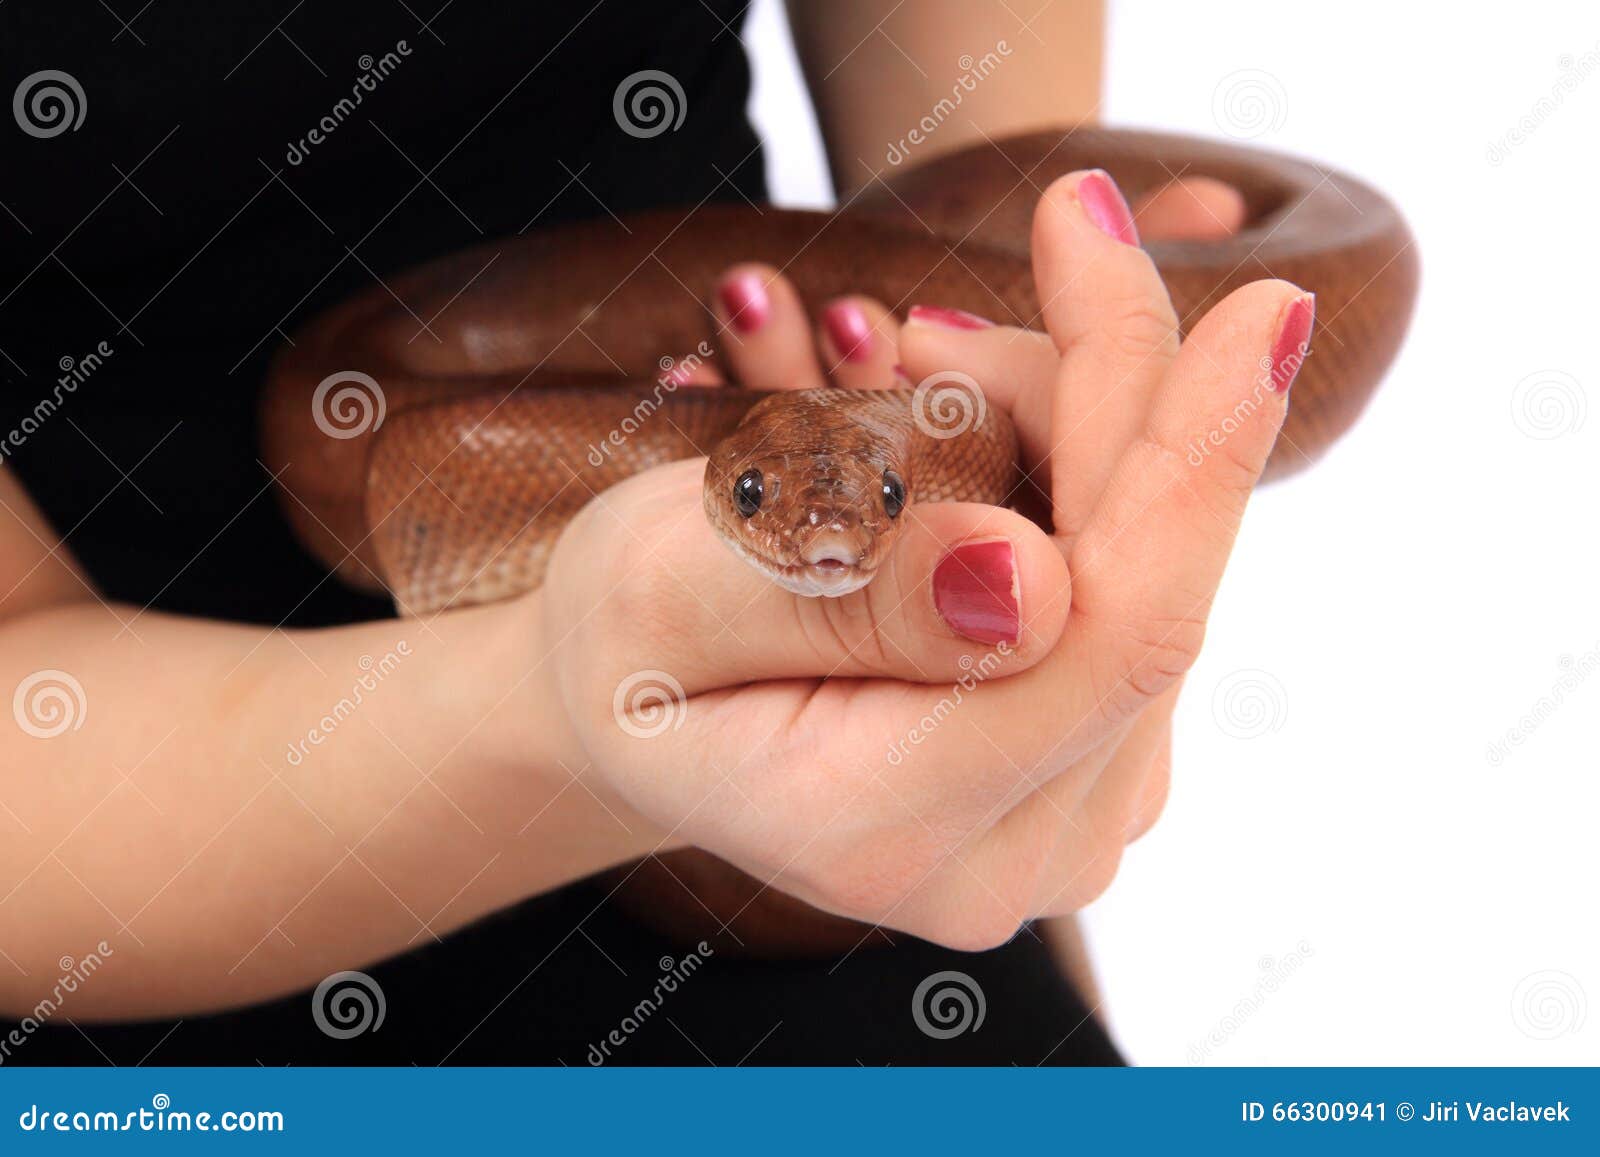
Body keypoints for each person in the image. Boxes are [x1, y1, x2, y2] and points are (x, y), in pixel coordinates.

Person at [0, 1, 1302, 1064]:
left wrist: (1001, 276)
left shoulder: (848, 477)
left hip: (752, 526)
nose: (829, 544)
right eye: (772, 512)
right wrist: (566, 703)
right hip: (127, 831)